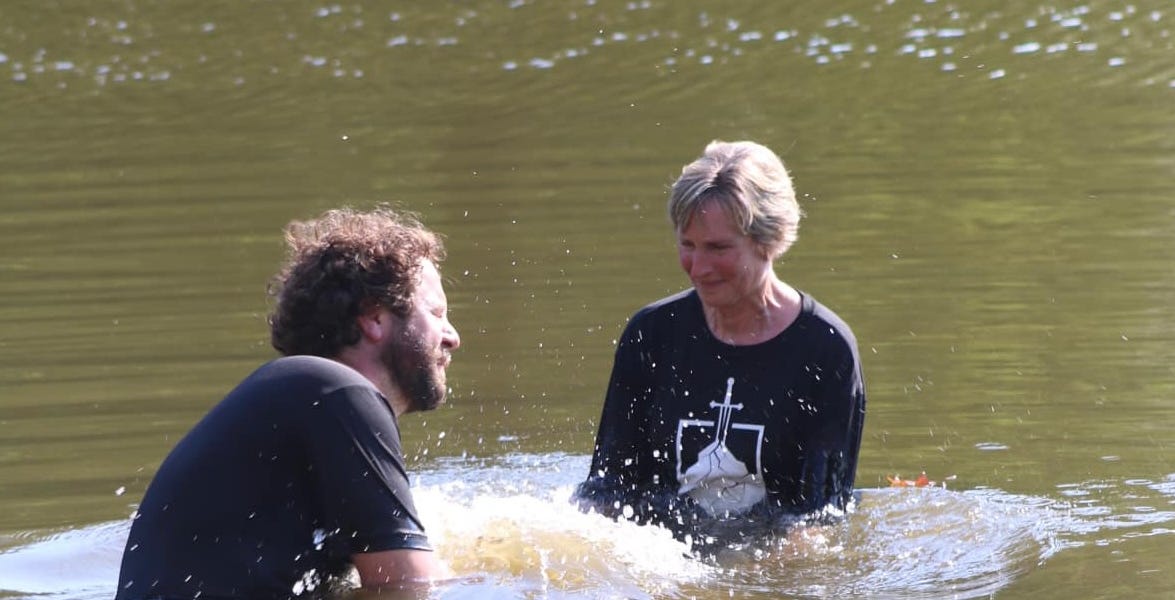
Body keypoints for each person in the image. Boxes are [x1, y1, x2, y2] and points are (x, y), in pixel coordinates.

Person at [115, 206, 461, 599]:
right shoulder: (338, 392)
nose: (452, 337)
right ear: (373, 317)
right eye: (436, 313)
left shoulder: (304, 397)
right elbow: (410, 586)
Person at [574, 141, 866, 546]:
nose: (698, 267)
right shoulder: (651, 336)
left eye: (718, 248)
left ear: (770, 240)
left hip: (762, 562)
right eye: (687, 245)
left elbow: (817, 518)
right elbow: (606, 489)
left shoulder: (826, 350)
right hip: (656, 563)